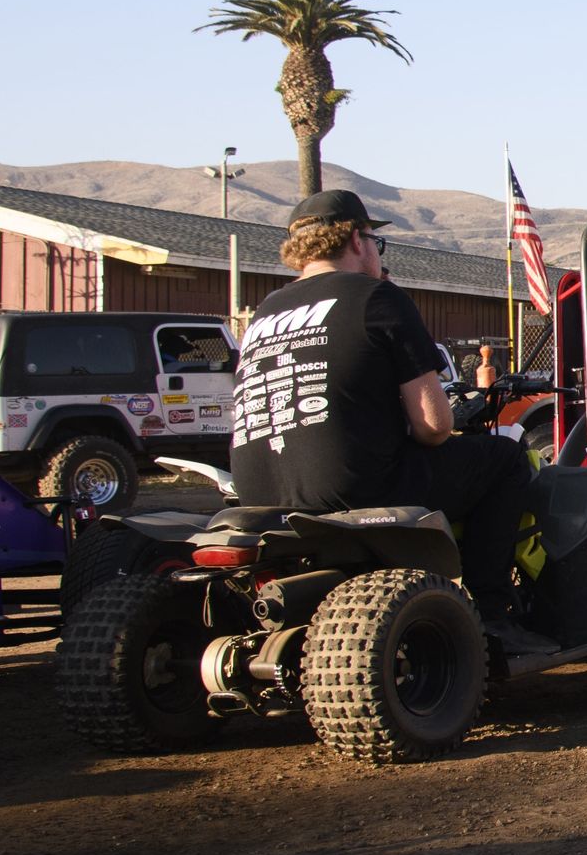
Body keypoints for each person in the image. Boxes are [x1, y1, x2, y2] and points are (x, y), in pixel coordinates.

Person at [229, 190, 546, 652]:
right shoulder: (375, 296)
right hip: (355, 489)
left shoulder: (266, 311)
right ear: (358, 240)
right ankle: (493, 614)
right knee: (503, 458)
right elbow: (434, 427)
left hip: (258, 494)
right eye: (377, 243)